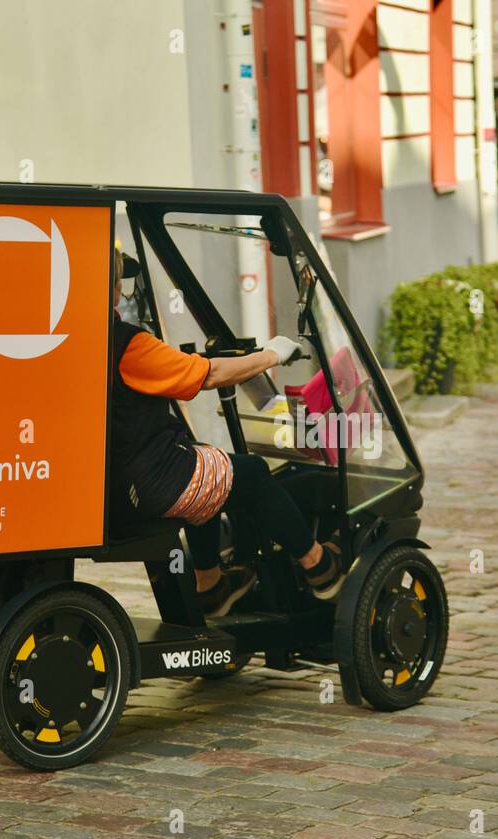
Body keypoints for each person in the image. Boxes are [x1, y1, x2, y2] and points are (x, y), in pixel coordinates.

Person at [109, 245, 344, 617]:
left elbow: (183, 369)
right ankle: (319, 567)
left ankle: (212, 585)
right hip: (154, 484)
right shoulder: (128, 345)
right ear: (112, 287)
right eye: (119, 281)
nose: (123, 291)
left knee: (204, 459)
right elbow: (211, 375)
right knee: (252, 473)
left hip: (118, 486)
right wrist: (272, 355)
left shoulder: (83, 342)